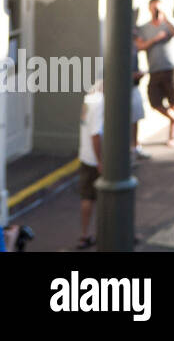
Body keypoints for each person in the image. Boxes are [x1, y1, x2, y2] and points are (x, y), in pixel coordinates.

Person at [135, 0, 174, 145]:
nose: (156, 11)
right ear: (149, 9)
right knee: (155, 101)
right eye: (154, 8)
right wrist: (155, 39)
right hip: (154, 68)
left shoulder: (170, 23)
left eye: (158, 8)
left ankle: (172, 137)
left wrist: (166, 19)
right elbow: (140, 46)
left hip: (172, 67)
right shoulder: (145, 28)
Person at [76, 81, 104, 249]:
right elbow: (96, 134)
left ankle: (84, 235)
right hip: (96, 159)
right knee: (105, 197)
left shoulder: (90, 99)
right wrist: (100, 161)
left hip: (85, 155)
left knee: (87, 197)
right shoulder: (101, 103)